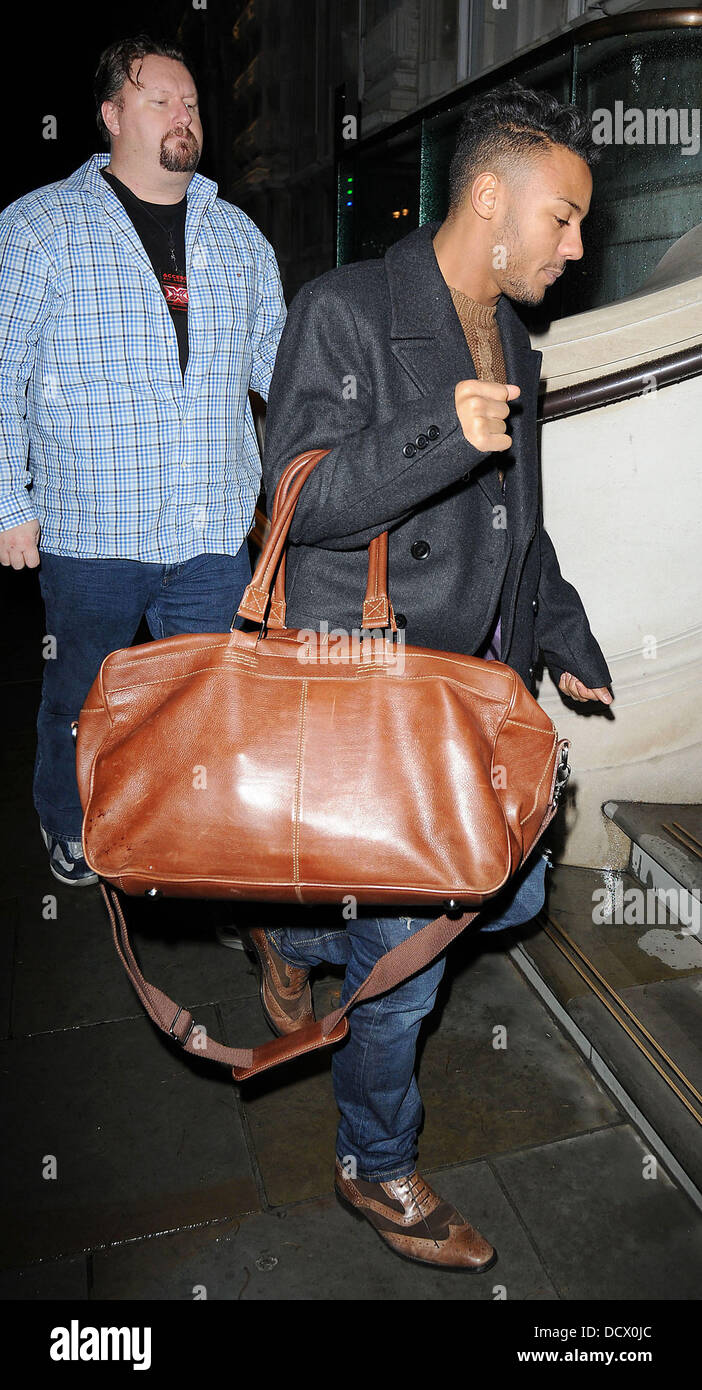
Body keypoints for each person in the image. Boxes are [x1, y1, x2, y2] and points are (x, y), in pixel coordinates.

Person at [247, 80, 614, 1271]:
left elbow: (522, 525)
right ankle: (376, 1166)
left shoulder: (517, 340)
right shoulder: (344, 311)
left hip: (474, 697)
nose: (577, 245)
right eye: (562, 218)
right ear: (492, 195)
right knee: (403, 971)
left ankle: (290, 935)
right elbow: (300, 498)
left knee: (508, 897)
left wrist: (561, 630)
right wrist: (442, 432)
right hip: (376, 697)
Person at [0, 34, 286, 885]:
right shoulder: (40, 227)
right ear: (112, 114)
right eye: (159, 98)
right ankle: (70, 822)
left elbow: (281, 365)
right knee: (81, 703)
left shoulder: (237, 237)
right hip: (91, 530)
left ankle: (189, 825)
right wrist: (7, 499)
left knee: (204, 705)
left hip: (210, 525)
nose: (183, 114)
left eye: (191, 101)